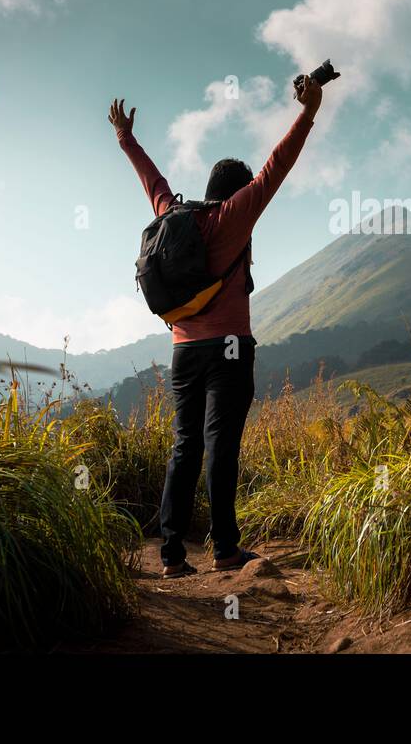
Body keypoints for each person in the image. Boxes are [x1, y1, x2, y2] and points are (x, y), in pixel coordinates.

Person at [108, 76, 323, 577]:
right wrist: (309, 112)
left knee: (185, 445)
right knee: (220, 444)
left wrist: (125, 137)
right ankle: (226, 549)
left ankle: (171, 556)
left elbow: (153, 181)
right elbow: (277, 166)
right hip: (227, 348)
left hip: (183, 351)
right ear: (237, 190)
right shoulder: (233, 218)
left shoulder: (172, 214)